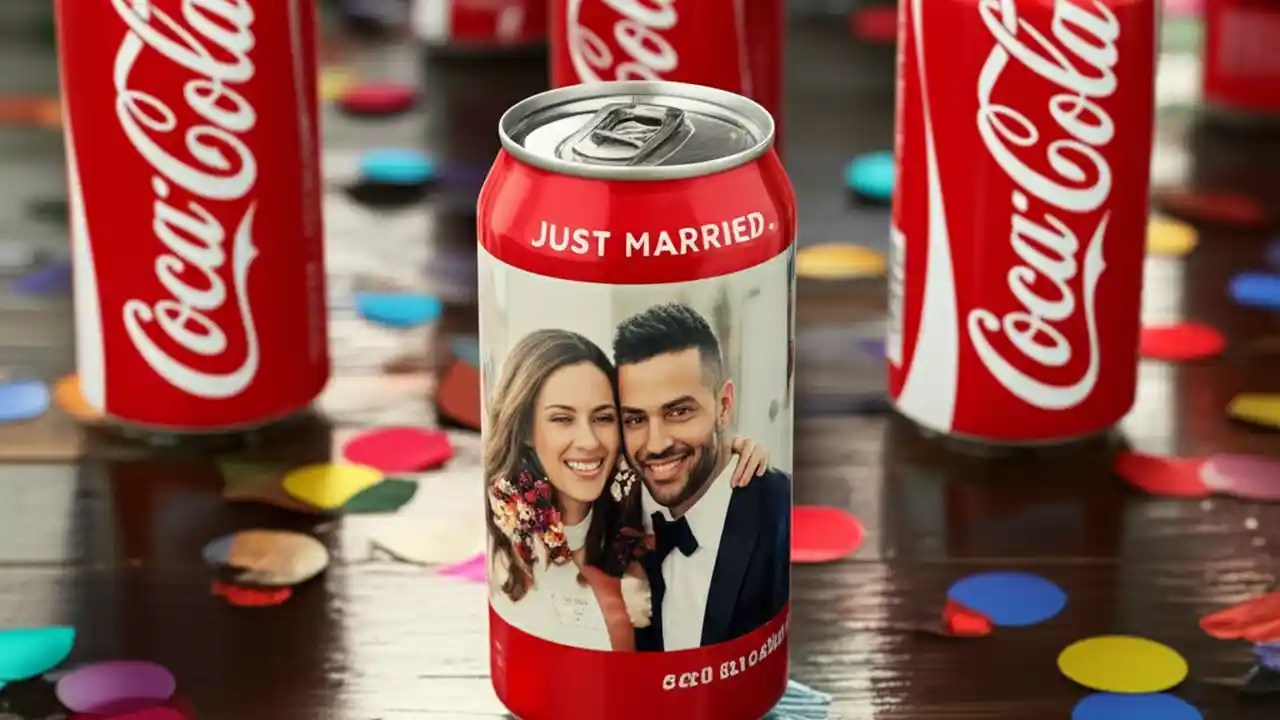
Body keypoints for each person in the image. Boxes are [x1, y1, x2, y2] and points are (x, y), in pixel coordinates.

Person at [485, 328, 772, 652]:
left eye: (603, 418)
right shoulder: (506, 533)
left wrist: (732, 450)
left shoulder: (635, 508)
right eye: (562, 419)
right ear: (524, 430)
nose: (589, 441)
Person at [613, 303, 791, 652]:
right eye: (635, 419)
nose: (657, 443)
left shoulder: (777, 509)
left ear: (724, 406)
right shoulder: (611, 513)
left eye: (679, 412)